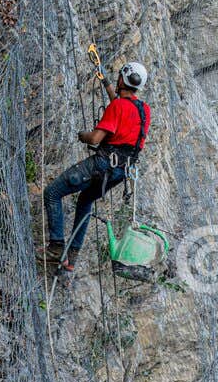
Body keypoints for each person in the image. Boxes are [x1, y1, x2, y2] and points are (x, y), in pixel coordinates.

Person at [42, 60, 150, 275]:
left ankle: (56, 247)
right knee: (85, 201)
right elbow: (120, 109)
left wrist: (83, 136)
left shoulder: (117, 106)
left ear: (123, 79)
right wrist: (107, 84)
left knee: (52, 193)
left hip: (101, 165)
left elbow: (95, 138)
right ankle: (71, 258)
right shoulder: (143, 110)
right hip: (120, 172)